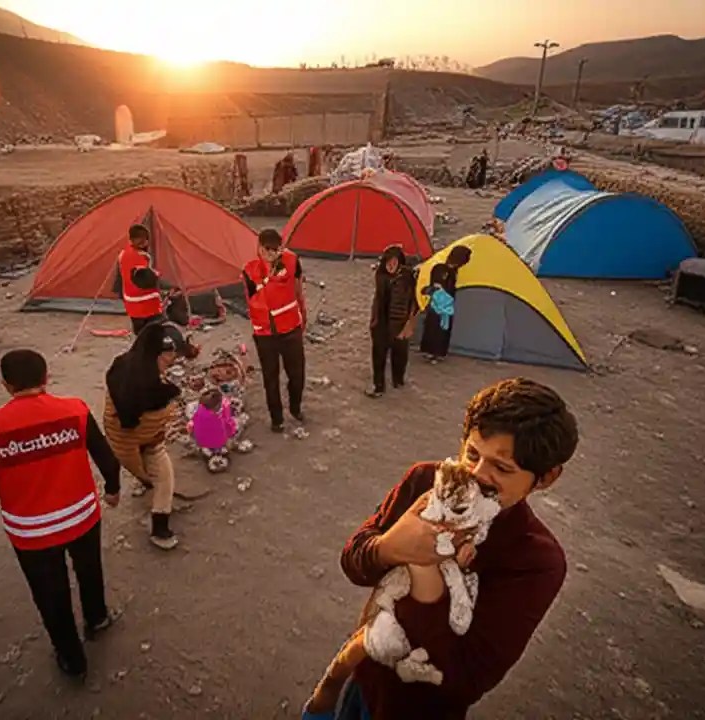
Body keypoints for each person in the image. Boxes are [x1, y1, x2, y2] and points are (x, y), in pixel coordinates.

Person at [322, 378, 578, 719]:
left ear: (546, 478)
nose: (476, 474)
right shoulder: (424, 482)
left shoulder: (535, 560)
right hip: (365, 676)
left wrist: (424, 565)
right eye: (472, 454)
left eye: (502, 468)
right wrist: (386, 548)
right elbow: (354, 563)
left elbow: (466, 678)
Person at [0, 349, 123, 677]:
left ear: (6, 385)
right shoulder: (74, 410)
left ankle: (72, 660)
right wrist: (113, 488)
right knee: (90, 570)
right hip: (82, 517)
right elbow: (105, 456)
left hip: (32, 533)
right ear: (46, 377)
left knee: (51, 594)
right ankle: (97, 618)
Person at [102, 320, 195, 550]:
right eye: (171, 356)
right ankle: (145, 481)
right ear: (158, 354)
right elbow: (134, 422)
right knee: (148, 473)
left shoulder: (126, 365)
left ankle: (160, 525)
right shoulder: (139, 387)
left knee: (164, 477)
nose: (173, 361)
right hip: (125, 440)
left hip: (148, 439)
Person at [242, 228, 308, 432]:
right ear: (259, 247)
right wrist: (269, 277)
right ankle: (276, 418)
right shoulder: (249, 270)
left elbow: (298, 289)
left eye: (274, 250)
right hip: (265, 334)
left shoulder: (292, 261)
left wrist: (303, 317)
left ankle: (295, 408)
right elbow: (252, 301)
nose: (270, 254)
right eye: (266, 249)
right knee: (270, 378)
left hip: (291, 329)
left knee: (297, 375)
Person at [367, 245, 417, 398]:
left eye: (394, 262)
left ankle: (398, 379)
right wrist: (374, 321)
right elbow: (378, 300)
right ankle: (379, 386)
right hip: (381, 323)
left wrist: (410, 324)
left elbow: (414, 302)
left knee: (400, 354)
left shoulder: (408, 278)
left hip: (400, 323)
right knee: (379, 356)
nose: (391, 266)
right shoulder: (380, 276)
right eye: (389, 262)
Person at [419, 245, 472, 364]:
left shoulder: (447, 270)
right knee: (438, 328)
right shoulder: (444, 270)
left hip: (441, 303)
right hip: (441, 304)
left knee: (437, 327)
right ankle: (434, 352)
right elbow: (439, 286)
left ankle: (433, 352)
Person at [117, 223, 165, 334]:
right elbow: (146, 280)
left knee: (140, 334)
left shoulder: (123, 254)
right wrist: (156, 275)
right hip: (149, 304)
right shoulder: (143, 257)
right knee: (153, 333)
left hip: (131, 303)